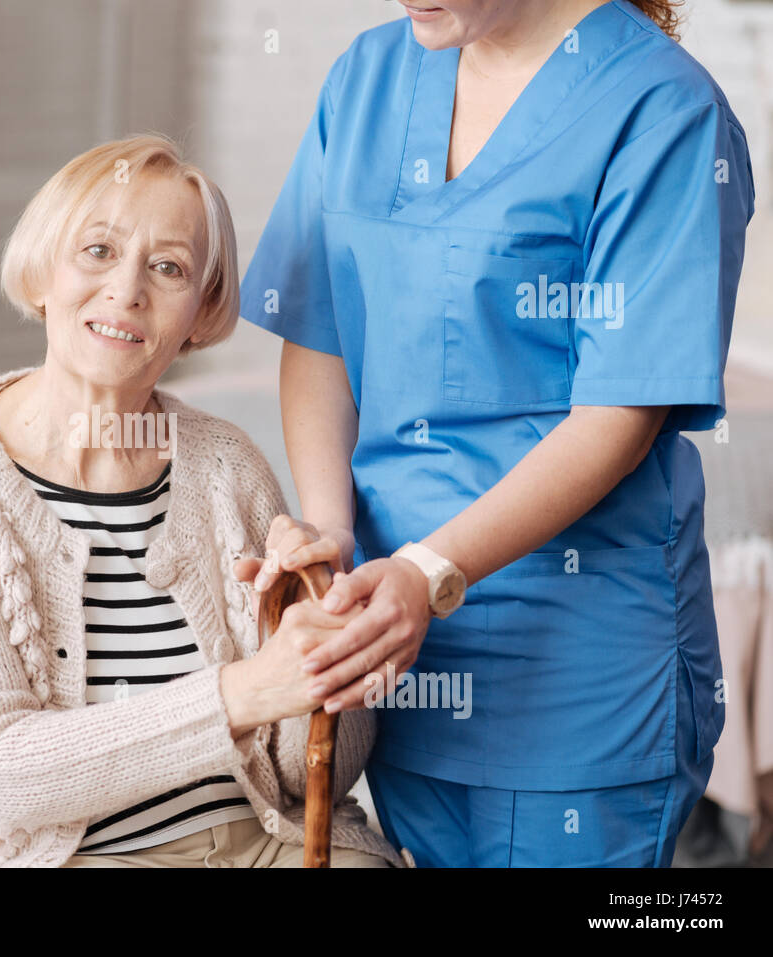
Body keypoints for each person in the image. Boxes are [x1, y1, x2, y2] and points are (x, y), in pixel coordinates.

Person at [238, 0, 754, 866]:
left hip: (574, 685)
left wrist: (430, 570)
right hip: (399, 668)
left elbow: (618, 416)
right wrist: (333, 531)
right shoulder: (370, 75)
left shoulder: (664, 114)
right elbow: (320, 329)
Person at [0, 133, 407, 867]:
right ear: (43, 273)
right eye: (97, 251)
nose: (127, 290)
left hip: (256, 841)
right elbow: (0, 769)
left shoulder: (227, 467)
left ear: (198, 314)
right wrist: (242, 691)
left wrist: (322, 639)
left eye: (168, 267)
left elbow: (303, 776)